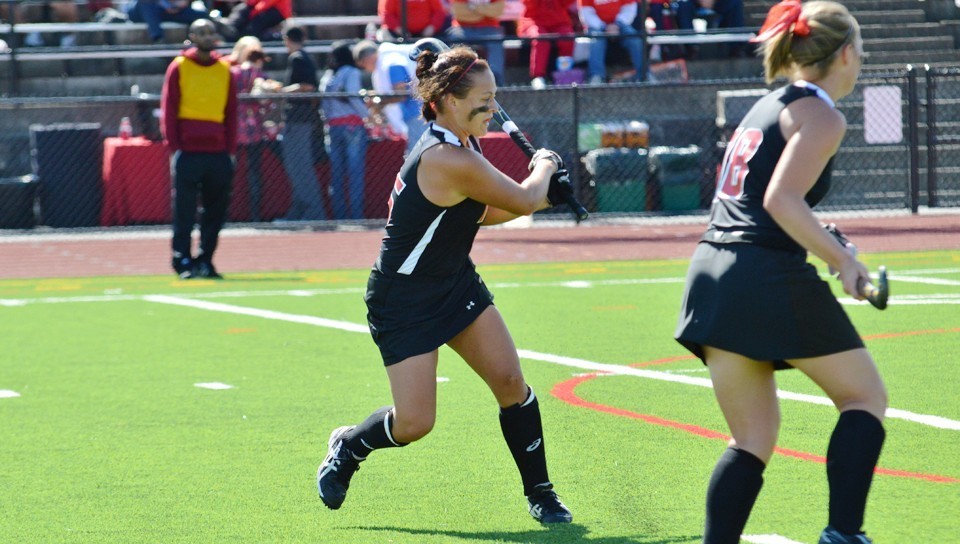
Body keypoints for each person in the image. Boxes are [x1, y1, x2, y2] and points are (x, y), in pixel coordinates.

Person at [316, 45, 574, 525]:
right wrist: (546, 164)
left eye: (495, 97)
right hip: (404, 298)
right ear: (449, 101)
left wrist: (544, 199)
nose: (492, 107)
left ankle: (542, 494)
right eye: (484, 98)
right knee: (416, 423)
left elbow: (488, 210)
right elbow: (520, 197)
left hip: (454, 283)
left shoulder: (464, 147)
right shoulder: (445, 157)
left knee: (510, 383)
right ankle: (349, 446)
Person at [673, 2, 883, 543]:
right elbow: (781, 201)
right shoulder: (823, 115)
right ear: (846, 54)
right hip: (761, 273)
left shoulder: (768, 104)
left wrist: (832, 243)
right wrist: (843, 261)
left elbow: (760, 204)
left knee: (752, 438)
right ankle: (843, 534)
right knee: (864, 399)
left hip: (712, 272)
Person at [161, 19, 238, 279]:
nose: (207, 36)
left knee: (215, 211)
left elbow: (231, 112)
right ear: (191, 36)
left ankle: (206, 259)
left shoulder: (225, 68)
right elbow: (169, 110)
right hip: (188, 151)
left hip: (217, 152)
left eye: (210, 32)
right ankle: (182, 259)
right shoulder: (179, 66)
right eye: (201, 32)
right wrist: (175, 148)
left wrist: (229, 150)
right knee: (184, 210)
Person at [230, 36, 281, 222]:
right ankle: (255, 215)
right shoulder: (261, 76)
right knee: (254, 174)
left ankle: (226, 215)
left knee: (228, 174)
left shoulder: (232, 73)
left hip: (233, 131)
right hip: (254, 131)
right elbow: (267, 104)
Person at [278, 25, 326, 221]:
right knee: (296, 167)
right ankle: (299, 212)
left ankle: (313, 213)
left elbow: (306, 87)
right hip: (302, 118)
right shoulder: (305, 57)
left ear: (287, 39)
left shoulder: (297, 57)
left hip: (299, 119)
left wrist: (279, 91)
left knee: (300, 167)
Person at [320, 40, 370, 220]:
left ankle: (339, 215)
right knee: (355, 174)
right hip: (353, 127)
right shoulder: (352, 72)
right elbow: (354, 96)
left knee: (337, 175)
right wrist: (368, 116)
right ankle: (356, 217)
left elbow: (323, 104)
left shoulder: (328, 76)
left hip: (333, 127)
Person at [354, 40, 428, 155]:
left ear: (366, 59)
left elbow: (400, 94)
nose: (366, 69)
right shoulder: (387, 62)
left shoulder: (391, 63)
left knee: (417, 156)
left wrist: (378, 100)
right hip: (415, 115)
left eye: (363, 66)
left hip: (417, 115)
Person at [577, 0, 645, 84]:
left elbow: (629, 9)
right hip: (596, 26)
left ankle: (644, 75)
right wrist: (604, 26)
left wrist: (617, 24)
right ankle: (596, 76)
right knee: (596, 40)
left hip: (620, 24)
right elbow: (586, 14)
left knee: (635, 39)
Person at [517, 0, 576, 89]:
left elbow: (567, 3)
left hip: (558, 20)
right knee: (541, 39)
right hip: (534, 20)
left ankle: (564, 74)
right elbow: (528, 4)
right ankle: (538, 77)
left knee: (567, 37)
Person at [446, 0, 506, 85]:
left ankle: (495, 81)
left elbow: (497, 11)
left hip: (490, 28)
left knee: (496, 40)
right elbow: (459, 13)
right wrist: (485, 11)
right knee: (455, 40)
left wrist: (472, 7)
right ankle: (456, 79)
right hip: (462, 28)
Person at [126, 0, 208, 44]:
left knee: (202, 14)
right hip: (143, 10)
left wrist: (180, 4)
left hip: (169, 12)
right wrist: (167, 5)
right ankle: (158, 39)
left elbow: (183, 3)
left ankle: (195, 40)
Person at [214, 0, 291, 42]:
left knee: (257, 20)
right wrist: (249, 6)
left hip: (277, 11)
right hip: (259, 9)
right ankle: (230, 29)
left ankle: (243, 39)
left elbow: (267, 3)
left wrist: (253, 12)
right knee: (241, 9)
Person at [377, 0, 447, 42]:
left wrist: (432, 28)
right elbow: (388, 14)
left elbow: (439, 12)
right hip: (399, 35)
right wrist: (400, 30)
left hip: (427, 34)